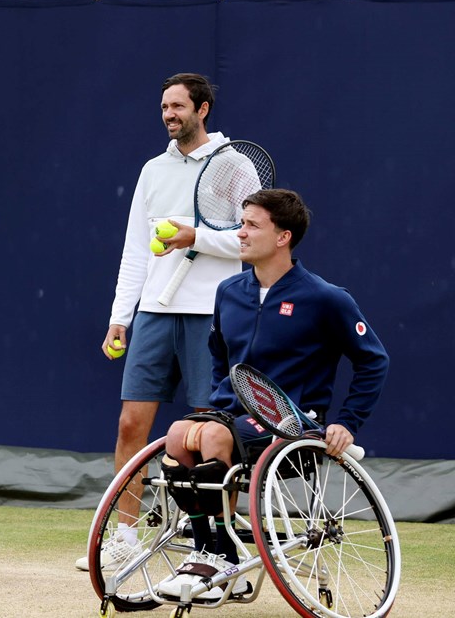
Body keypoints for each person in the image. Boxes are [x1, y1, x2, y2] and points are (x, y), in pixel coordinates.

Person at [154, 188, 389, 602]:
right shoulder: (228, 291)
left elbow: (374, 361)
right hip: (232, 417)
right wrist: (218, 402)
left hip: (294, 424)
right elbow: (219, 354)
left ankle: (222, 559)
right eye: (241, 224)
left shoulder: (326, 298)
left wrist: (347, 422)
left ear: (283, 237)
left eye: (252, 225)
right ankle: (207, 552)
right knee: (176, 435)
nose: (241, 233)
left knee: (212, 436)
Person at [78, 73, 242, 571]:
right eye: (165, 107)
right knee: (131, 424)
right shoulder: (152, 170)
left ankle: (213, 542)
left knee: (210, 434)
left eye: (178, 106)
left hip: (210, 314)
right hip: (153, 313)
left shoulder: (235, 166)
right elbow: (135, 250)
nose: (169, 115)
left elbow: (251, 240)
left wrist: (195, 237)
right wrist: (120, 317)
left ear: (203, 109)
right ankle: (125, 536)